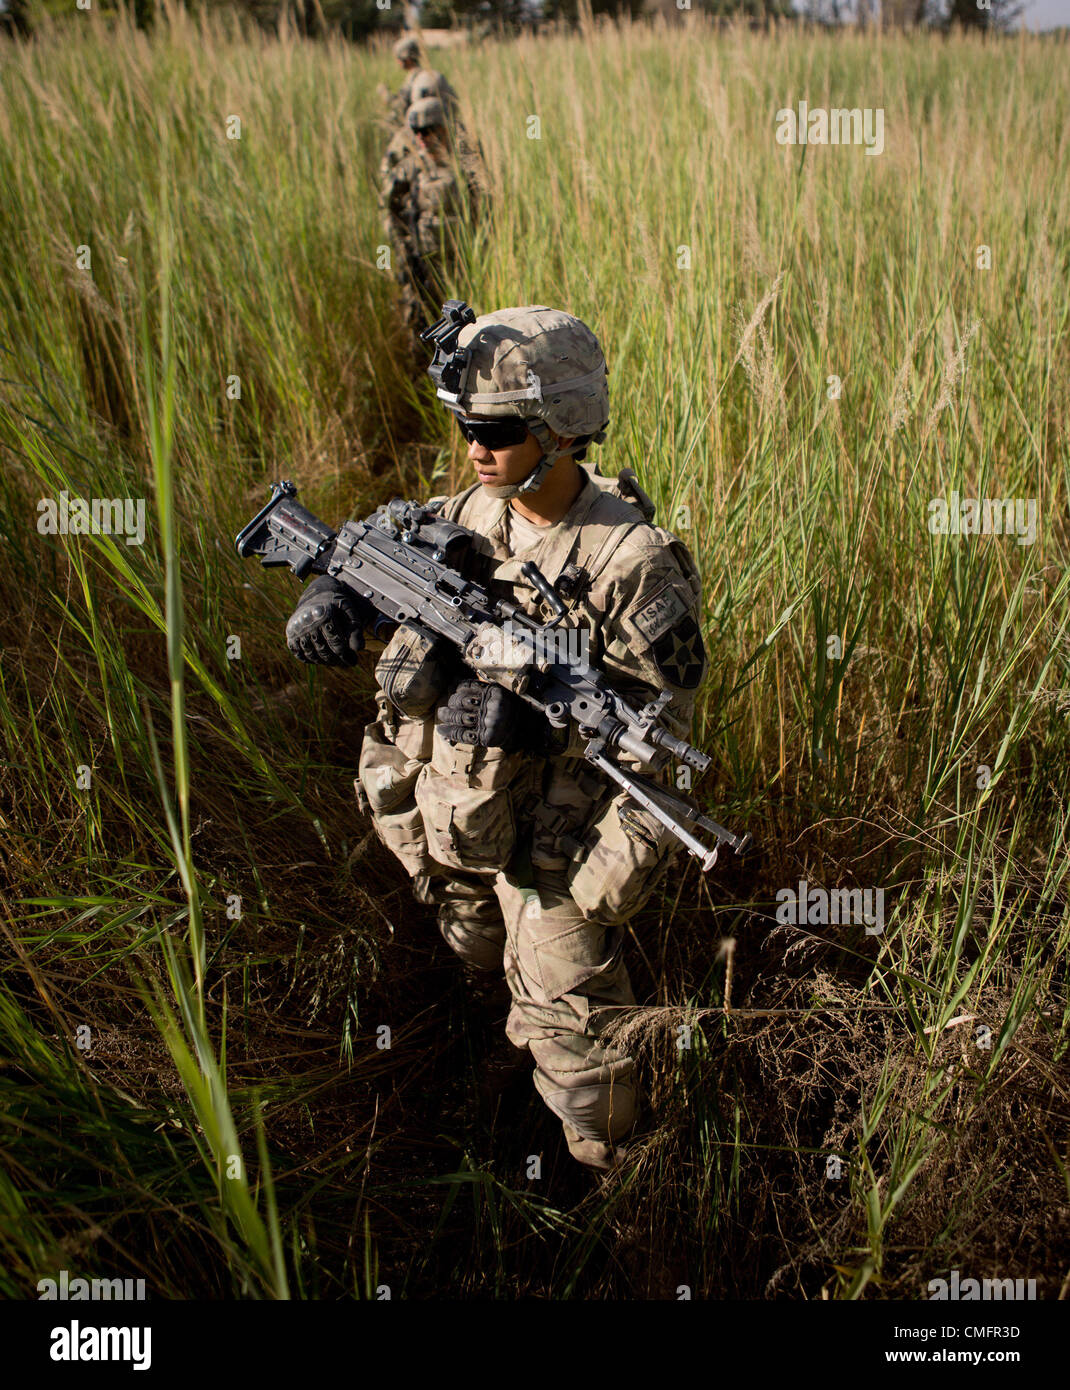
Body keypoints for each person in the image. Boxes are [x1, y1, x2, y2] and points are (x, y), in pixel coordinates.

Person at [284, 305, 708, 1171]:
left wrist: (582, 895)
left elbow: (663, 759)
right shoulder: (475, 510)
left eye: (498, 431)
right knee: (475, 949)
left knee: (590, 1070)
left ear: (561, 431)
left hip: (554, 845)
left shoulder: (632, 563)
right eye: (465, 426)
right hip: (447, 810)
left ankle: (615, 1187)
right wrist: (327, 600)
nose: (476, 448)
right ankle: (504, 1061)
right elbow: (371, 555)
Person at [379, 98, 482, 336]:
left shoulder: (465, 163)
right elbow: (388, 206)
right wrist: (402, 245)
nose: (421, 138)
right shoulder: (410, 166)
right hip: (424, 261)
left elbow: (484, 203)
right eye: (416, 132)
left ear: (444, 129)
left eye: (427, 131)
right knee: (422, 321)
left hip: (461, 261)